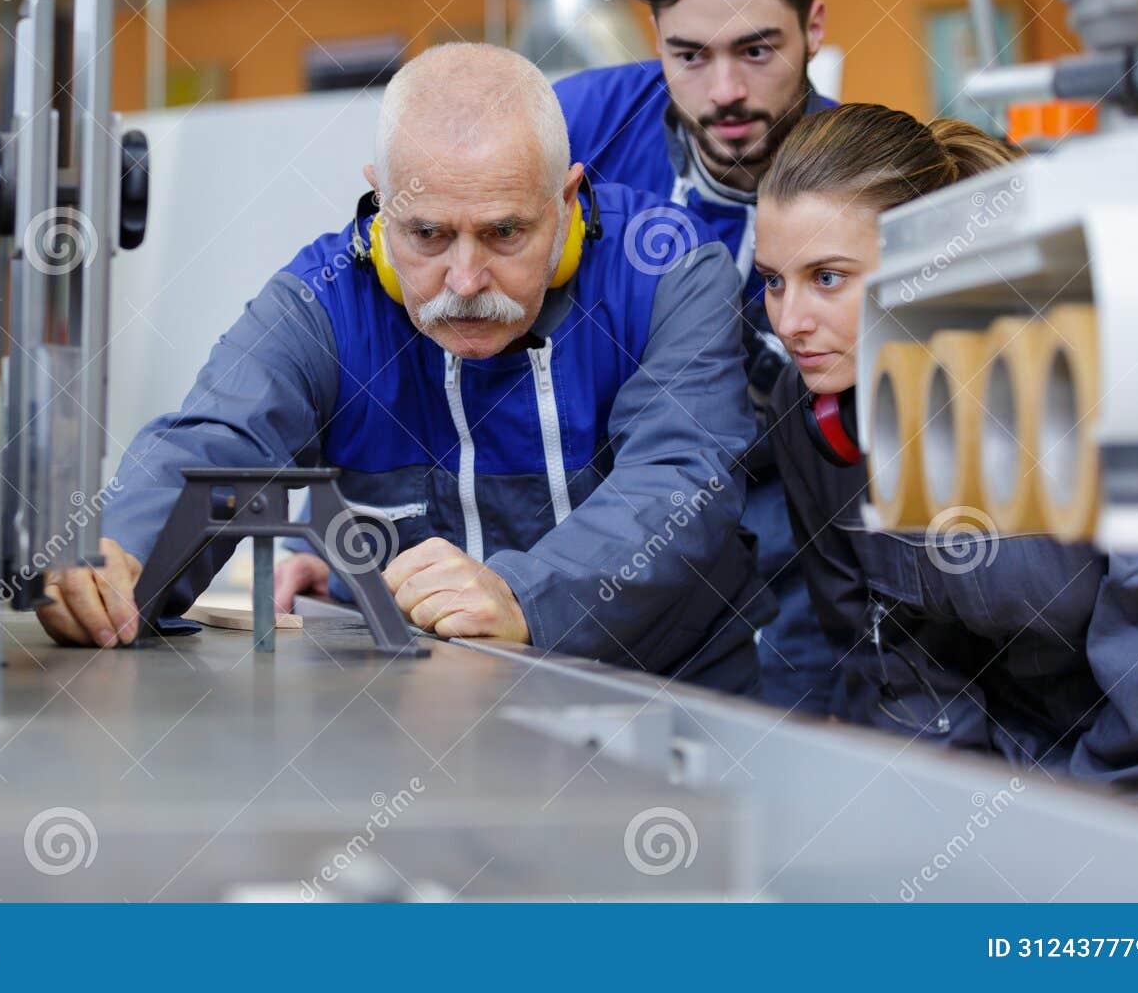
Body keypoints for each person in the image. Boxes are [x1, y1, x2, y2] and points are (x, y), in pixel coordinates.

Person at [40, 42, 761, 694]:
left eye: (505, 232)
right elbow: (216, 443)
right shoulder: (327, 301)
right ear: (382, 207)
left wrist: (526, 594)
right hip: (435, 719)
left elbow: (682, 477)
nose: (467, 278)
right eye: (427, 234)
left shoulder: (666, 271)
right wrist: (125, 558)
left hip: (672, 705)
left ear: (567, 202)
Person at [754, 101, 1138, 811]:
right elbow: (886, 654)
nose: (791, 323)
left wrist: (1069, 837)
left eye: (827, 278)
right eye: (774, 280)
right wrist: (976, 810)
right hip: (1030, 721)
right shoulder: (810, 415)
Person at [556, 0, 838, 712]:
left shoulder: (865, 185)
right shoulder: (582, 130)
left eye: (756, 50)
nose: (725, 92)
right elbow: (422, 288)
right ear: (656, 44)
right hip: (610, 520)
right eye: (690, 56)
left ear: (812, 27)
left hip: (797, 544)